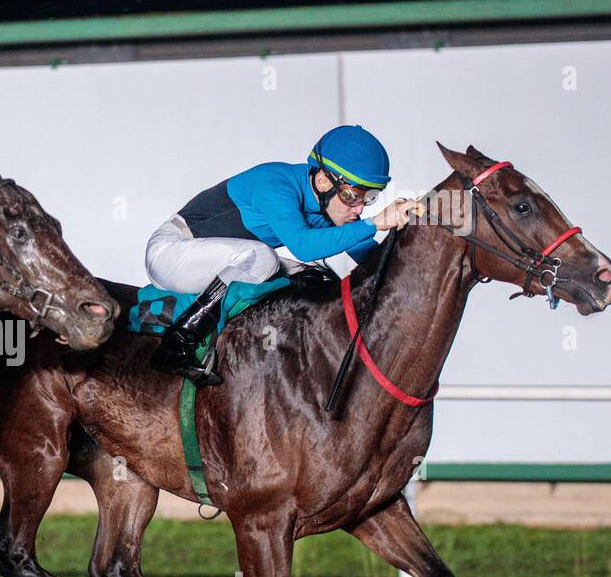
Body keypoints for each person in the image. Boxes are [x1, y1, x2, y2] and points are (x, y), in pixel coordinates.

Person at [145, 125, 422, 384]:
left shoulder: (319, 204)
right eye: (352, 196)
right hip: (170, 253)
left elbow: (363, 253)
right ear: (324, 180)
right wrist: (375, 223)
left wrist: (411, 241)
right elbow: (304, 246)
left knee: (314, 277)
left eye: (369, 198)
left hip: (215, 260)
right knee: (263, 257)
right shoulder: (274, 184)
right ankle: (178, 343)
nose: (360, 208)